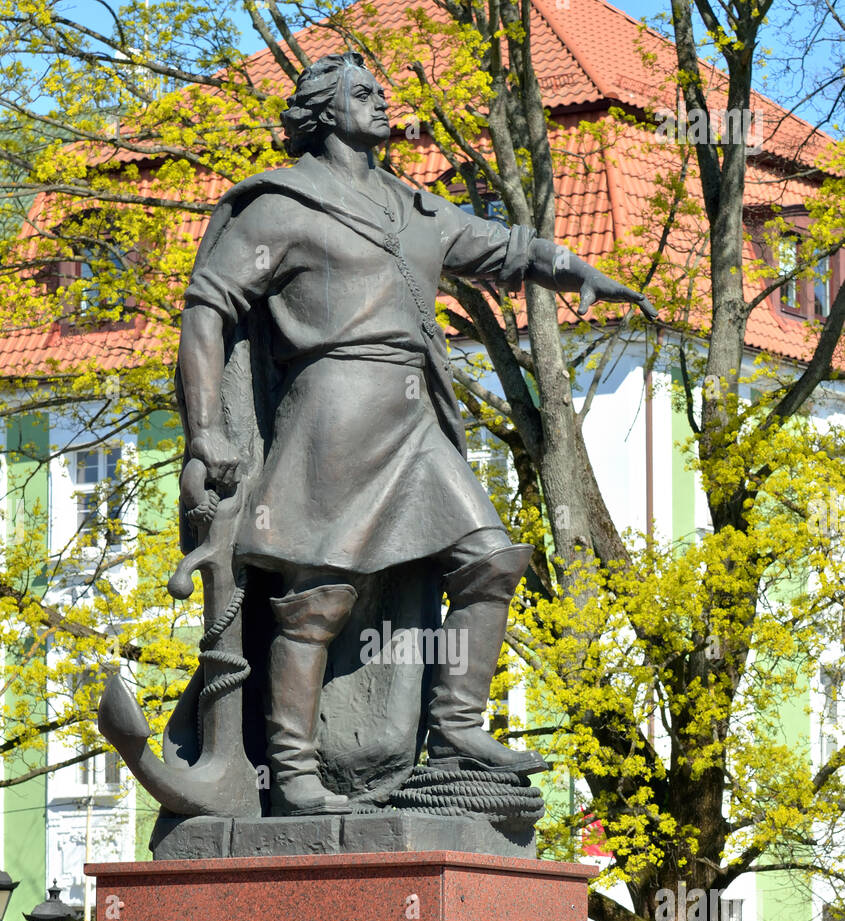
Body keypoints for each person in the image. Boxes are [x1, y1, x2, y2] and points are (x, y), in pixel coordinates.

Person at [177, 51, 658, 815]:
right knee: (318, 597)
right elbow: (207, 309)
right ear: (324, 111)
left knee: (491, 561)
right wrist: (207, 430)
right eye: (362, 93)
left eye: (380, 91)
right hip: (333, 405)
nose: (381, 102)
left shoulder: (414, 208)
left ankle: (457, 726)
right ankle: (295, 775)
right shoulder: (282, 206)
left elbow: (505, 249)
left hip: (418, 411)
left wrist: (576, 270)